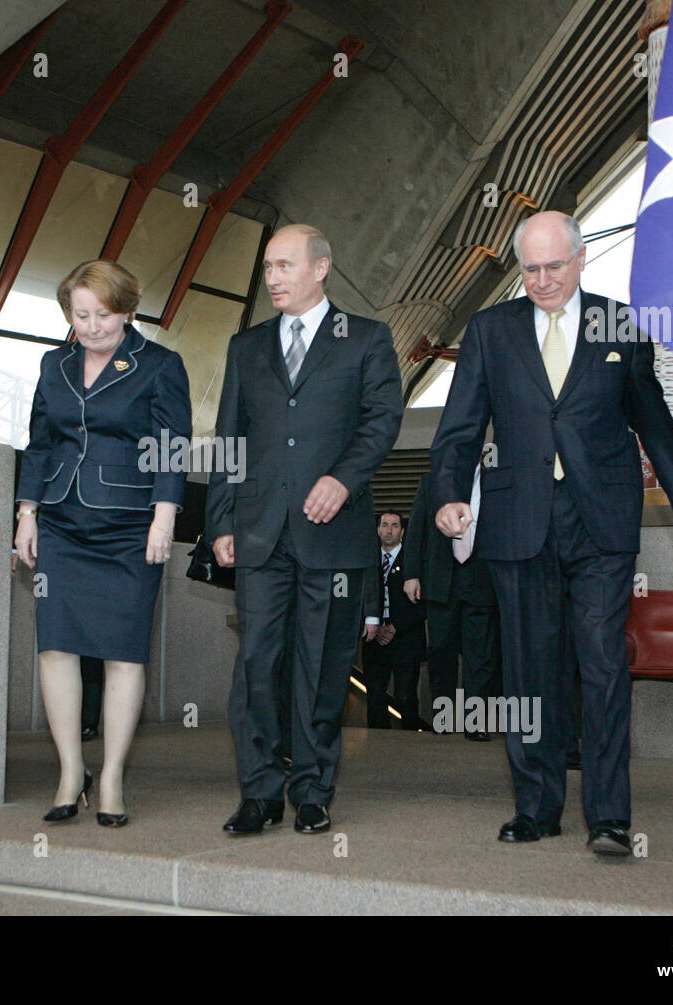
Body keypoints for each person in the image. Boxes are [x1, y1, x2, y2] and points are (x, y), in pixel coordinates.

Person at [430, 210, 673, 856]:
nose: (543, 280)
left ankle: (609, 815)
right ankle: (536, 806)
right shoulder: (489, 330)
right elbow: (460, 425)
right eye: (530, 269)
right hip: (518, 517)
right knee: (528, 668)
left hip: (601, 518)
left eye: (555, 266)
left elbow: (654, 422)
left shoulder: (617, 322)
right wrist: (448, 494)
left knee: (604, 663)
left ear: (581, 259)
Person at [207, 223, 403, 836]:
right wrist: (220, 520)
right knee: (258, 666)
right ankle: (259, 792)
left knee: (322, 669)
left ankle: (313, 790)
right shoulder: (248, 346)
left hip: (334, 533)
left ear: (321, 268)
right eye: (267, 268)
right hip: (260, 534)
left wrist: (343, 479)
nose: (272, 279)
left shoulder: (367, 340)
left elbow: (383, 421)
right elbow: (229, 441)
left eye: (285, 266)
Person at [15, 260, 191, 828]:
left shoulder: (160, 365)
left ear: (128, 310)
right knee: (56, 647)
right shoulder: (53, 363)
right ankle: (71, 771)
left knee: (123, 651)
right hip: (62, 521)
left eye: (104, 315)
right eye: (80, 315)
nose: (91, 327)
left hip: (130, 526)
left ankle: (111, 774)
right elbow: (39, 442)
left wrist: (164, 520)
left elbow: (172, 447)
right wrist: (26, 512)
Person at [403, 469, 501, 740]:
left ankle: (476, 722)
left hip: (481, 578)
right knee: (440, 650)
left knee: (480, 655)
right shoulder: (431, 482)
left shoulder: (496, 481)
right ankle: (443, 717)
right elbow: (416, 528)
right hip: (440, 578)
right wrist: (411, 575)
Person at [362, 511, 429, 730]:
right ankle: (378, 745)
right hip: (374, 636)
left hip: (406, 638)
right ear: (377, 529)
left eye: (394, 525)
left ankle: (410, 741)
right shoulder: (367, 559)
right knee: (374, 695)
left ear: (402, 530)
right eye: (384, 525)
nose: (388, 530)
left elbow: (424, 602)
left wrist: (395, 627)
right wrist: (378, 626)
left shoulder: (415, 559)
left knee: (405, 696)